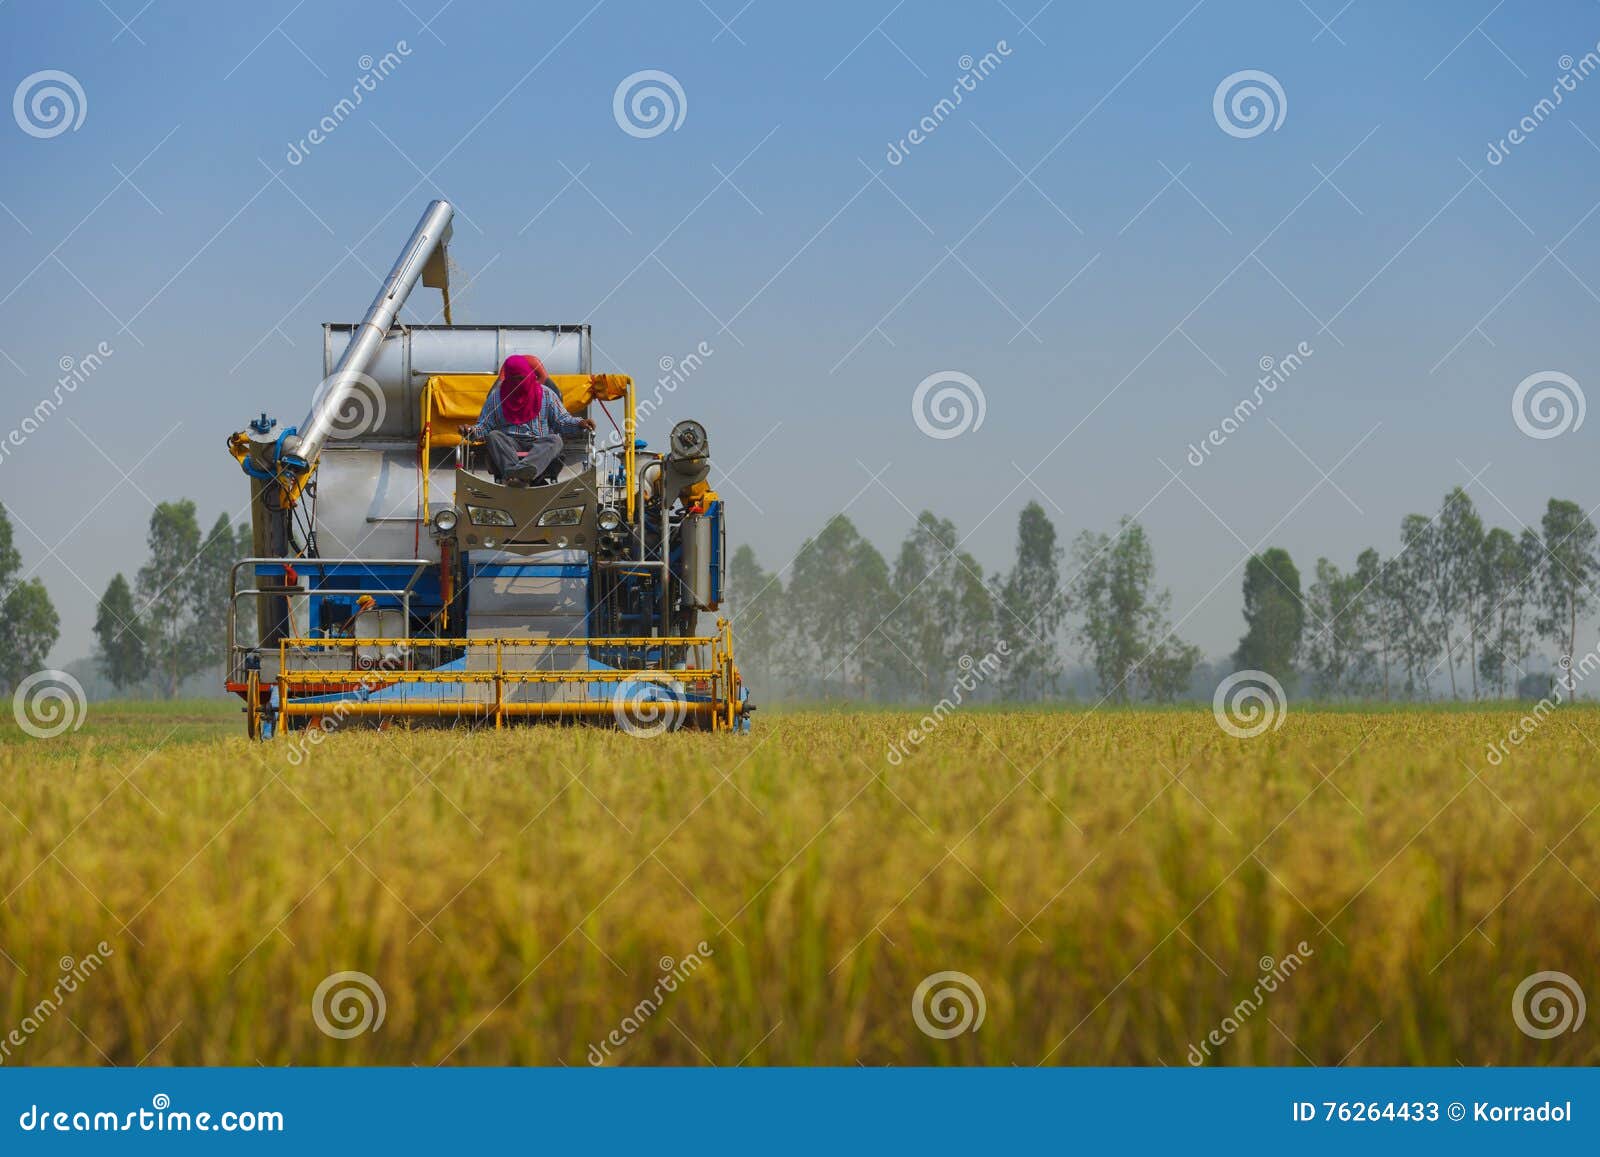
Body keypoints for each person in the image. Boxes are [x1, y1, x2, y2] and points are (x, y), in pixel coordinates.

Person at [461, 354, 594, 483]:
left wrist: (580, 423)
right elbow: (484, 426)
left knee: (555, 440)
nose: (519, 384)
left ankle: (517, 475)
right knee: (493, 436)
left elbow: (562, 421)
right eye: (514, 379)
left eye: (522, 378)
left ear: (530, 376)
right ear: (508, 379)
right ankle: (519, 475)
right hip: (509, 445)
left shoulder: (546, 394)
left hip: (538, 444)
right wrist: (471, 431)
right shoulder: (496, 398)